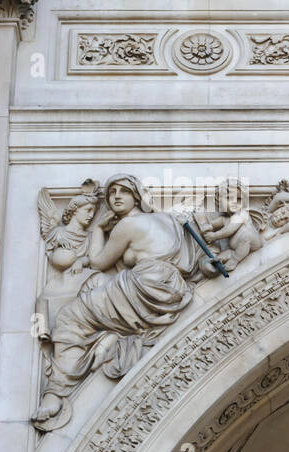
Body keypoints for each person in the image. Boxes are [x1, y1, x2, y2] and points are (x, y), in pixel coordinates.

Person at [31, 174, 201, 428]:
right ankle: (109, 337)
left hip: (143, 287)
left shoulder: (127, 226)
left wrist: (98, 228)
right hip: (170, 287)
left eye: (123, 191)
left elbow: (99, 262)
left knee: (70, 317)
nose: (116, 197)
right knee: (95, 287)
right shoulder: (168, 219)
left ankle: (55, 392)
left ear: (136, 196)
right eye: (112, 193)